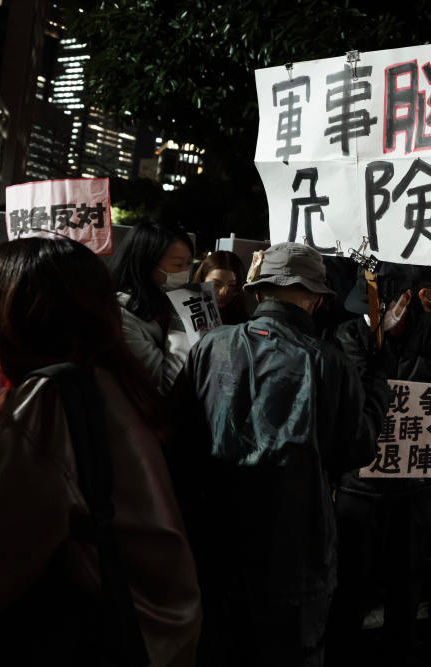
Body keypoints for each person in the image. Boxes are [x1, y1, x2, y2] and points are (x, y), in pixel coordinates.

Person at [171, 242, 387, 666]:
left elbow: (180, 438)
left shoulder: (210, 346)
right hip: (293, 553)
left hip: (213, 544)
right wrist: (377, 390)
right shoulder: (328, 361)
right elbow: (356, 449)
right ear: (315, 298)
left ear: (259, 291)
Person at [0, 237, 201, 665]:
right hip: (156, 633)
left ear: (15, 314)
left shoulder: (50, 398)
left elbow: (1, 554)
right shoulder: (105, 377)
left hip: (107, 634)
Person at [328, 263, 431, 666]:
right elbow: (348, 399)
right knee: (351, 582)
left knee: (407, 579)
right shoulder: (346, 335)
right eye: (366, 310)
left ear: (405, 299)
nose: (371, 317)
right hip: (359, 486)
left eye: (378, 308)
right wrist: (377, 344)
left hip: (417, 484)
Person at [111, 221, 195, 395]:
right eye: (178, 265)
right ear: (146, 264)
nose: (186, 273)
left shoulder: (170, 298)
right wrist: (183, 322)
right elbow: (165, 383)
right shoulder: (121, 315)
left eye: (189, 264)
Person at [193, 250, 249, 325]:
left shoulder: (244, 323)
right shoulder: (185, 313)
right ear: (202, 280)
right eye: (216, 284)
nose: (223, 292)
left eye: (232, 285)